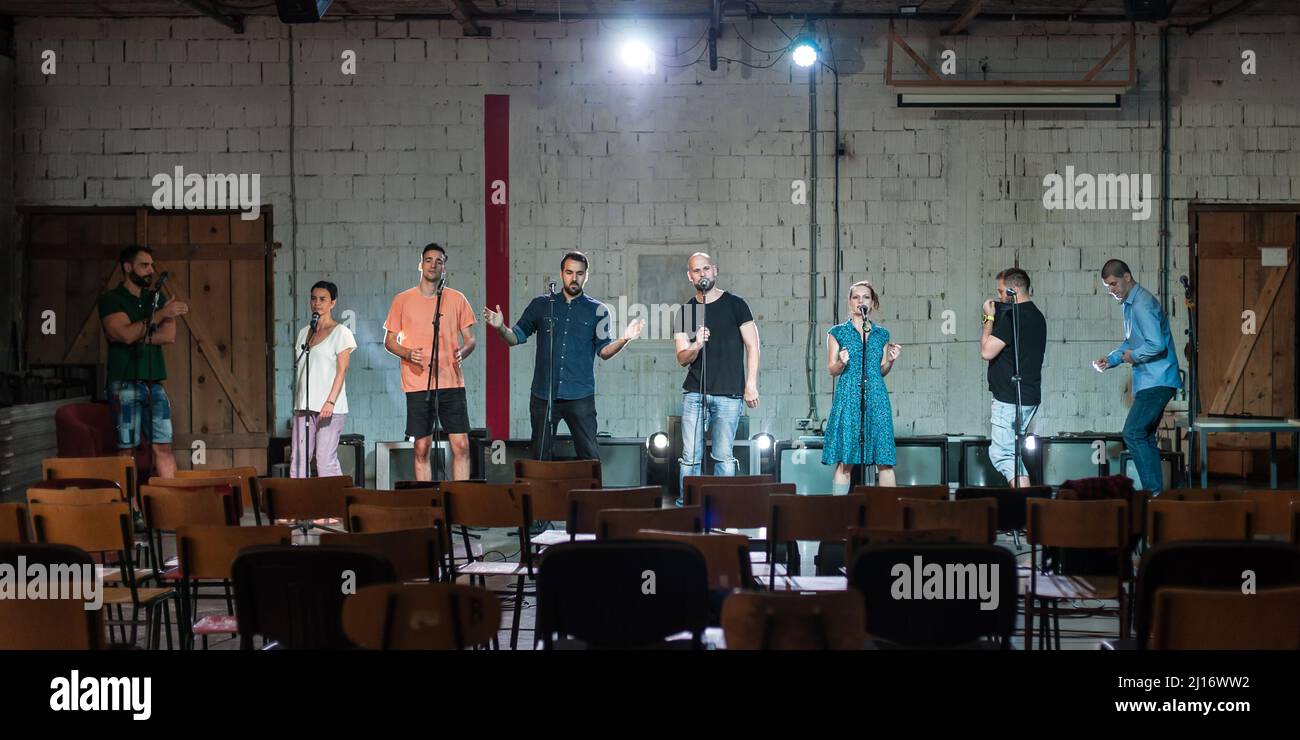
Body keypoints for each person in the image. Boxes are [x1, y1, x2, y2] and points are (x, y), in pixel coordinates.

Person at [483, 251, 643, 461]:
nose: (574, 278)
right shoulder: (541, 305)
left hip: (580, 396)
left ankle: (589, 494)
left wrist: (625, 339)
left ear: (586, 275)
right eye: (569, 272)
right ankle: (543, 494)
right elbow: (515, 338)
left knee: (589, 457)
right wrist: (500, 328)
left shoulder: (598, 310)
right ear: (561, 274)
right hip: (543, 395)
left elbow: (604, 352)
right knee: (541, 457)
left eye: (579, 273)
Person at [672, 252, 761, 505]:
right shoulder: (687, 311)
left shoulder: (736, 305)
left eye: (706, 269)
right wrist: (697, 345)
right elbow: (682, 357)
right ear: (690, 276)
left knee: (723, 456)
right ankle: (689, 507)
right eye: (697, 271)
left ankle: (724, 509)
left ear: (715, 270)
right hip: (695, 394)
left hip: (729, 393)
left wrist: (751, 384)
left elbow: (753, 346)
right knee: (690, 457)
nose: (703, 274)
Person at [383, 243, 477, 481]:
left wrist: (463, 351)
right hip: (418, 385)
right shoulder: (403, 299)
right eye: (429, 260)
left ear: (444, 267)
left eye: (439, 261)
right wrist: (406, 353)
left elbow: (470, 339)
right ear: (420, 264)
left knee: (462, 446)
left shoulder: (456, 299)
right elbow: (389, 341)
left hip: (451, 383)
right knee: (421, 449)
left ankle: (461, 506)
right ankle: (428, 505)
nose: (433, 265)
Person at [98, 245, 188, 478]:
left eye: (151, 265)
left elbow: (168, 336)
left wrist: (136, 332)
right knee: (126, 448)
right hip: (124, 385)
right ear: (128, 268)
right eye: (144, 265)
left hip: (154, 384)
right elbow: (124, 334)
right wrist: (158, 316)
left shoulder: (157, 298)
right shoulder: (111, 299)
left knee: (164, 446)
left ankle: (170, 504)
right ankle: (131, 508)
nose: (151, 270)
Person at [1093, 259, 1182, 496]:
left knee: (1132, 433)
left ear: (1127, 277)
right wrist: (1111, 359)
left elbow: (1156, 345)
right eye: (1108, 287)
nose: (1111, 291)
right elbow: (1132, 342)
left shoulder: (1142, 304)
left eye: (1113, 284)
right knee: (1144, 436)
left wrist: (1134, 356)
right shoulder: (1130, 303)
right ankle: (1156, 495)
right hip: (1151, 380)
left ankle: (1153, 495)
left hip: (1158, 379)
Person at [822, 280, 902, 492]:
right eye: (856, 297)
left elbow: (881, 370)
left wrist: (891, 361)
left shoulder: (882, 334)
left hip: (876, 396)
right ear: (849, 302)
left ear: (873, 302)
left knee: (884, 458)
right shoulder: (837, 332)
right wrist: (841, 362)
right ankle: (839, 515)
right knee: (846, 459)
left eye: (865, 297)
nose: (860, 301)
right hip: (849, 395)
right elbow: (832, 369)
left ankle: (889, 517)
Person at [979, 268, 1047, 489]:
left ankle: (1024, 509)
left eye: (1001, 292)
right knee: (1013, 454)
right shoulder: (1037, 316)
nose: (999, 297)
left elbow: (987, 351)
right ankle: (1024, 509)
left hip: (1009, 398)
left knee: (1003, 454)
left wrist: (988, 318)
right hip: (1028, 396)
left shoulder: (1012, 318)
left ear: (1013, 290)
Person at [290, 281, 357, 478]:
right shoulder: (305, 332)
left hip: (329, 407)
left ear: (333, 303)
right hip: (304, 404)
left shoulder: (341, 332)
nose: (317, 303)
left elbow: (342, 370)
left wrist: (330, 401)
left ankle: (335, 505)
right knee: (299, 458)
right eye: (313, 298)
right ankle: (297, 503)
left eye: (322, 299)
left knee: (325, 459)